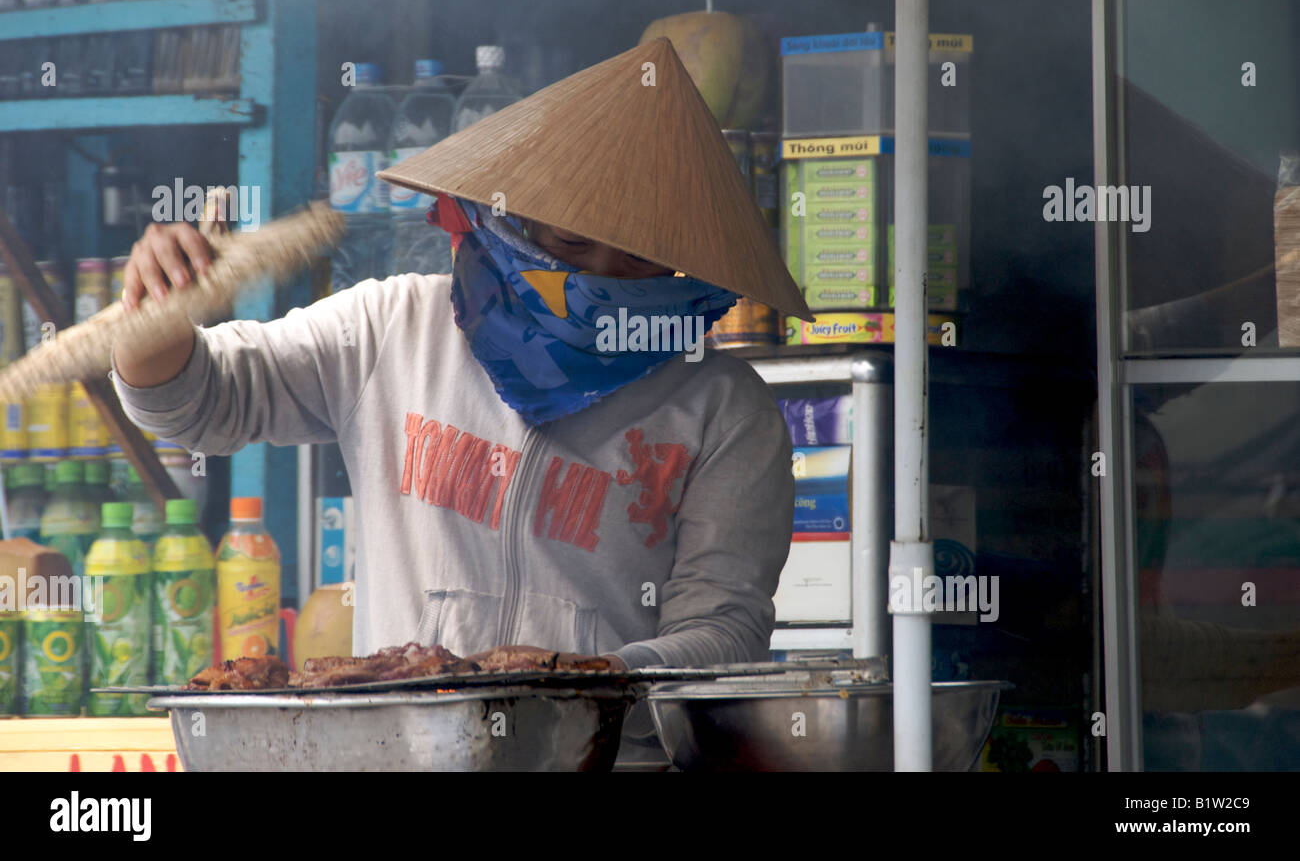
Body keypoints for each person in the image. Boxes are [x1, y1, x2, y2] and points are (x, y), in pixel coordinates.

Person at [110, 40, 813, 749]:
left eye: (636, 260)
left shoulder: (724, 410)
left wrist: (569, 688)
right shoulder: (393, 327)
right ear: (521, 219)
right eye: (571, 244)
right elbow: (197, 403)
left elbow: (723, 637)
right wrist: (153, 322)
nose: (599, 278)